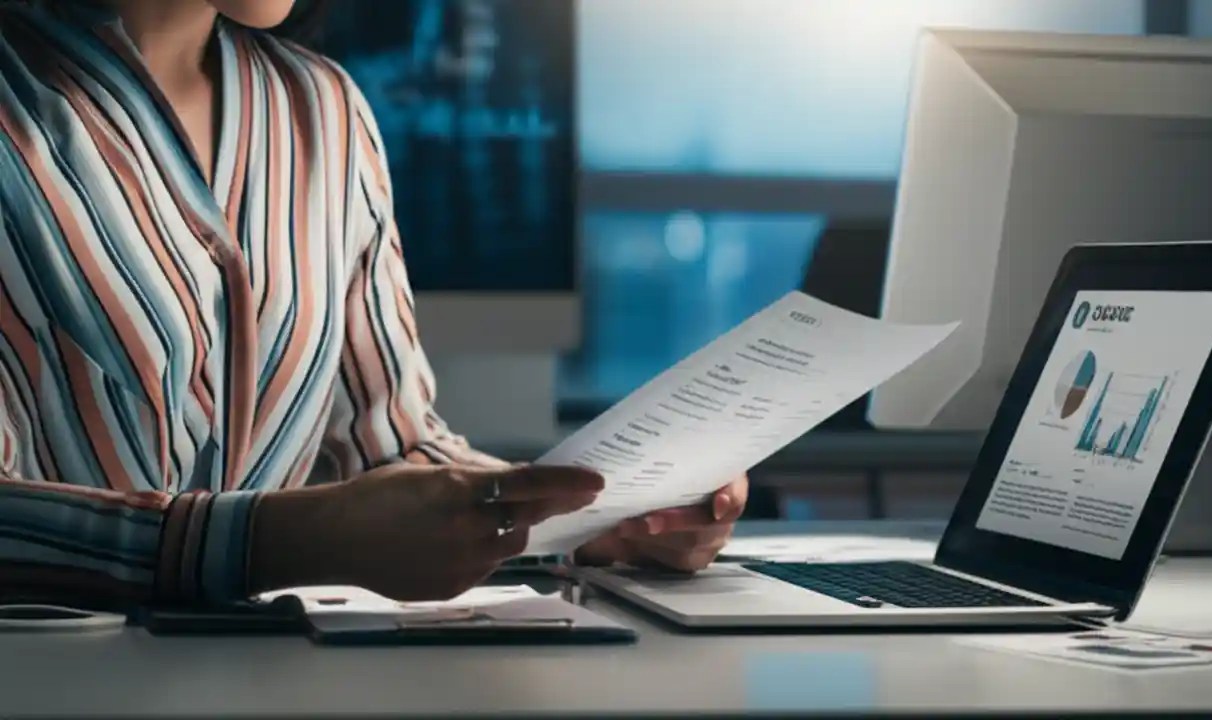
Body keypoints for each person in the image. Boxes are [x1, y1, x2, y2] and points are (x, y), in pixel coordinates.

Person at [0, 0, 749, 608]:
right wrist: (288, 541)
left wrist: (598, 519)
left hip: (277, 680)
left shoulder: (322, 109)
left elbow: (392, 447)